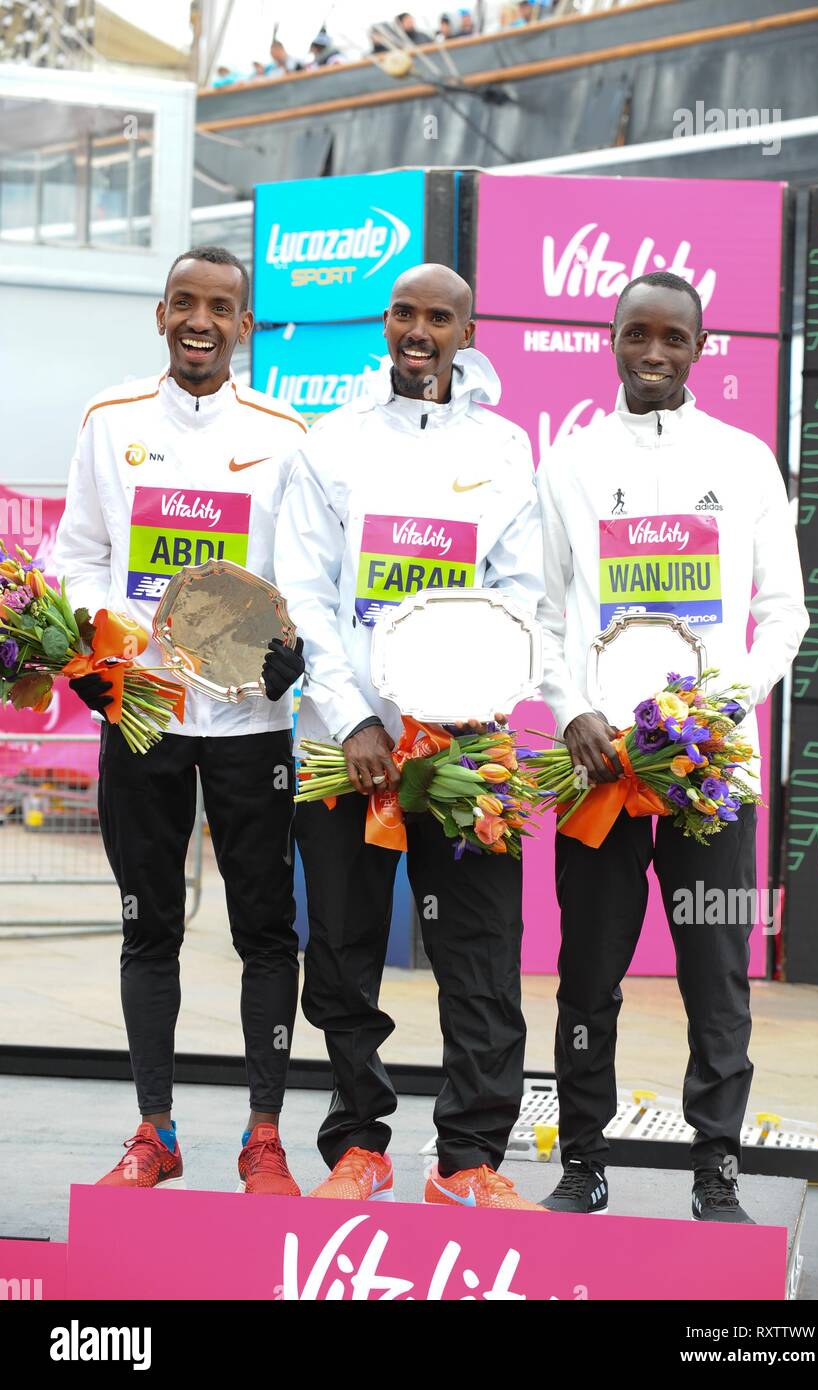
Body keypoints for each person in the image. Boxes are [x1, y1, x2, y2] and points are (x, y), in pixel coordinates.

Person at [536, 270, 809, 1222]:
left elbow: (782, 615)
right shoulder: (568, 462)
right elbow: (541, 607)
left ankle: (716, 1165)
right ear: (609, 340)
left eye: (672, 339)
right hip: (599, 765)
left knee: (714, 969)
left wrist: (718, 712)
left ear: (702, 348)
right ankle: (582, 1157)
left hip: (705, 769)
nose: (652, 354)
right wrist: (571, 706)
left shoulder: (743, 461)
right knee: (589, 971)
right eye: (634, 335)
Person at [275, 263, 547, 1211]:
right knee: (343, 956)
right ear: (384, 323)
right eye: (404, 313)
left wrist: (463, 704)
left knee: (480, 957)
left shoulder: (506, 447)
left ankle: (467, 1158)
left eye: (439, 317)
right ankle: (358, 1147)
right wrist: (350, 716)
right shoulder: (333, 442)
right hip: (345, 750)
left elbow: (522, 595)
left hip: (463, 749)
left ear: (466, 330)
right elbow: (303, 591)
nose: (419, 331)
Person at [52, 246, 308, 1197]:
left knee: (265, 935)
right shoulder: (110, 421)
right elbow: (76, 554)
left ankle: (265, 1137)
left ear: (246, 324)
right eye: (185, 305)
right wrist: (95, 650)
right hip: (146, 715)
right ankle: (154, 1132)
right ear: (161, 315)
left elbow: (306, 575)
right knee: (147, 930)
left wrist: (295, 654)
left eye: (222, 308)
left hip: (251, 726)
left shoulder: (287, 432)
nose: (201, 322)